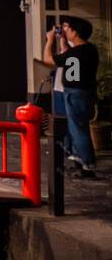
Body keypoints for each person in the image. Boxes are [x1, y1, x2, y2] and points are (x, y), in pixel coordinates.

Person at [45, 16, 99, 177]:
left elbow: (48, 60)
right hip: (84, 92)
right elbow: (71, 63)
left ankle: (87, 165)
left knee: (77, 129)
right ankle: (81, 162)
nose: (65, 31)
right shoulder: (89, 49)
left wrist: (49, 41)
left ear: (75, 32)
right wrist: (63, 42)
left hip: (75, 93)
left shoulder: (76, 53)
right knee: (77, 128)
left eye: (67, 28)